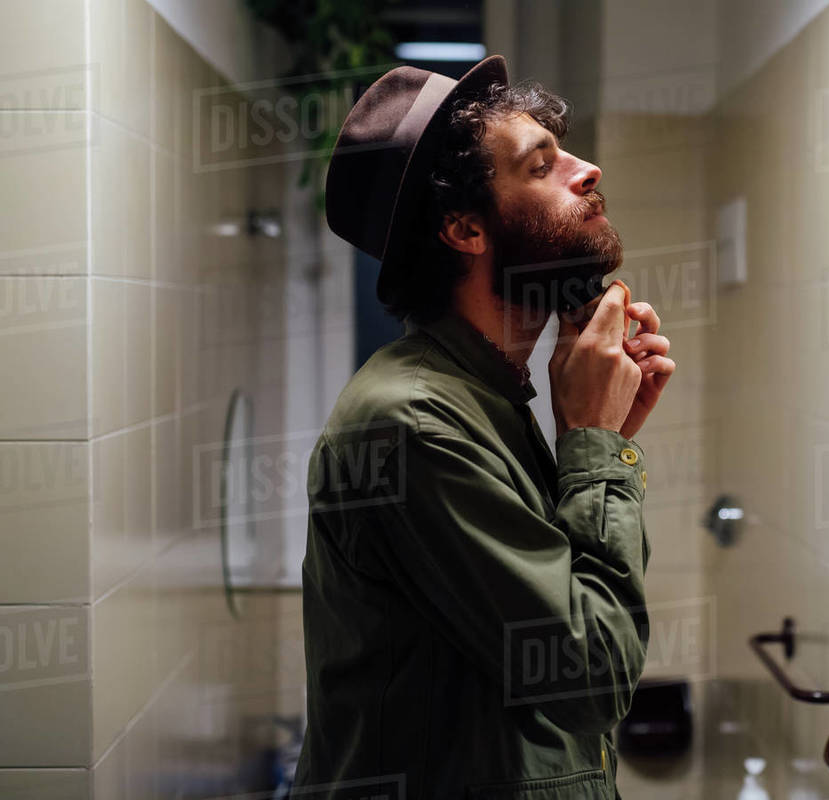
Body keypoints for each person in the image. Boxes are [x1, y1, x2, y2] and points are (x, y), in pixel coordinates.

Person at [291, 55, 675, 800]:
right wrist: (594, 450)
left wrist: (604, 439)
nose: (588, 169)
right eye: (544, 165)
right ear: (465, 227)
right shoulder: (412, 425)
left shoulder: (487, 397)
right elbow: (592, 674)